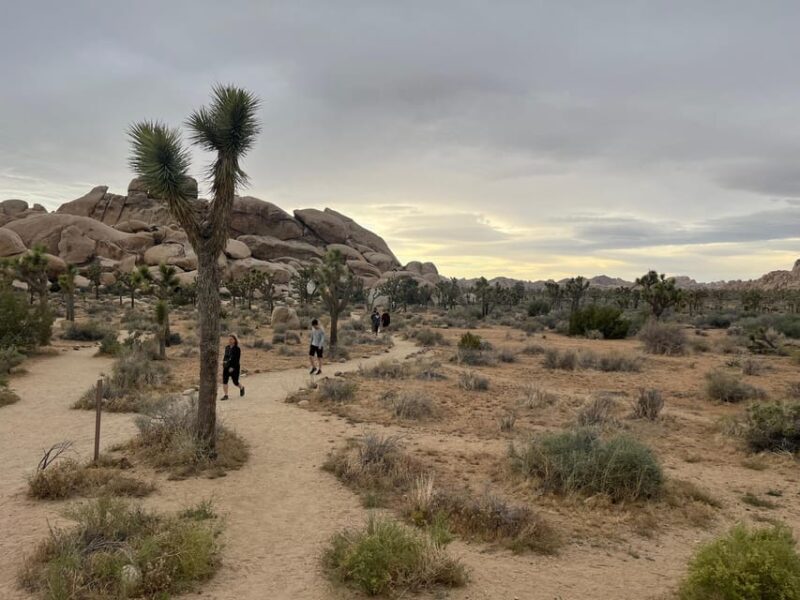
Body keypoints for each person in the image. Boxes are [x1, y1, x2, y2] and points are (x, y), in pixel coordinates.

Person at [221, 335, 244, 400]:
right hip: (226, 366)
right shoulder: (227, 347)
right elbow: (225, 356)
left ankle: (241, 387)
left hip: (235, 367)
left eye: (231, 339)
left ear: (234, 340)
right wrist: (223, 362)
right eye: (229, 339)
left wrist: (232, 367)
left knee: (235, 382)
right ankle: (226, 395)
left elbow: (237, 359)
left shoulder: (237, 349)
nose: (230, 341)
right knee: (225, 381)